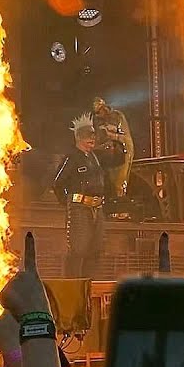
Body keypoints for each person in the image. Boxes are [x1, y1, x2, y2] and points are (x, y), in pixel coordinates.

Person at [52, 114, 110, 278]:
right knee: (78, 249)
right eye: (88, 139)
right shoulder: (71, 158)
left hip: (97, 208)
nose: (91, 141)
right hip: (79, 209)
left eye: (93, 138)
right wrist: (68, 201)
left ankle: (88, 284)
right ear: (78, 138)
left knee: (96, 248)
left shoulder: (94, 158)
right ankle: (74, 284)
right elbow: (57, 182)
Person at [91, 97, 134, 202]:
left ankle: (121, 205)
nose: (98, 116)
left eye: (99, 112)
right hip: (109, 155)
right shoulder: (98, 120)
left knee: (120, 180)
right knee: (109, 179)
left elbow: (123, 136)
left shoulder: (117, 116)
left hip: (122, 151)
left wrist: (109, 132)